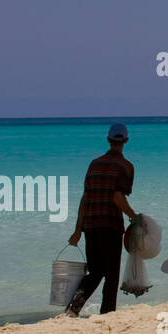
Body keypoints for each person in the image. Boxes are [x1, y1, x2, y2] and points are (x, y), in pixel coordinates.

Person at [66, 122, 138, 316]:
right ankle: (107, 314)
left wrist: (78, 229)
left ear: (108, 140)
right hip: (110, 226)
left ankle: (72, 310)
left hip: (90, 225)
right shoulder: (126, 167)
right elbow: (117, 197)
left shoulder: (94, 164)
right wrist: (134, 216)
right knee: (111, 275)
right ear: (126, 141)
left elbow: (85, 197)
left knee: (95, 272)